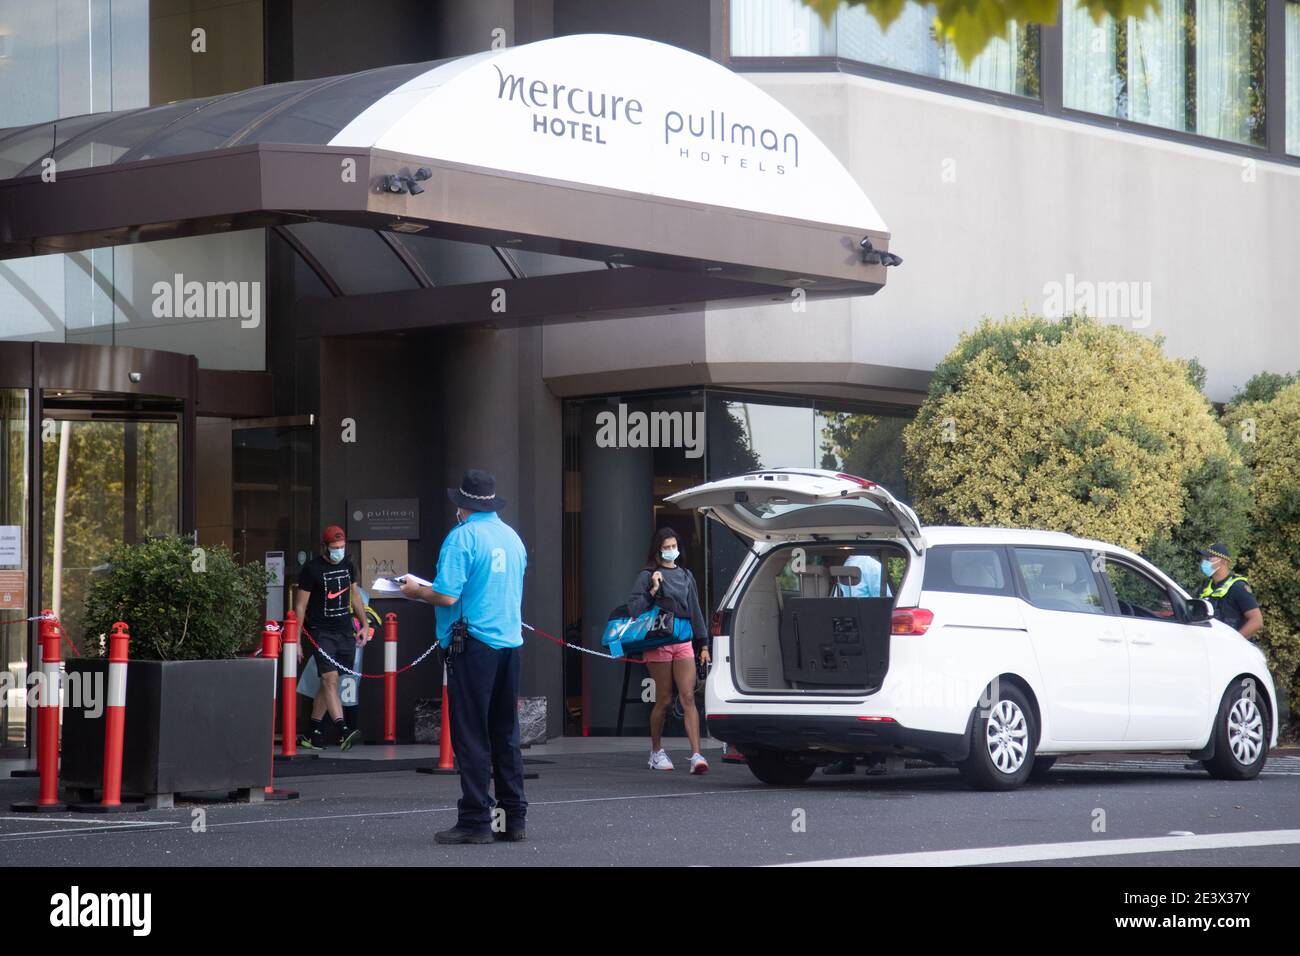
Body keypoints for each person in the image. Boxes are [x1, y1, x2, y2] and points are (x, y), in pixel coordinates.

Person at [401, 469, 528, 845]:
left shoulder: (462, 538)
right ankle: (512, 817)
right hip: (510, 642)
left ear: (462, 505)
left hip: (472, 644)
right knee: (505, 732)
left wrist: (414, 591)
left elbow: (446, 595)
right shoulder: (512, 537)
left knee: (471, 733)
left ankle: (475, 820)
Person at [626, 527, 710, 774]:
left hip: (683, 639)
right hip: (659, 640)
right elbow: (634, 610)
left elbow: (694, 608)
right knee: (663, 699)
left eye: (674, 546)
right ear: (658, 549)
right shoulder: (648, 575)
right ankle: (656, 751)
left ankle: (696, 755)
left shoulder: (686, 575)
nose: (671, 551)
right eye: (667, 547)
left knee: (688, 697)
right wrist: (653, 590)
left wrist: (703, 644)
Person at [295, 526, 371, 751]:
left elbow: (355, 596)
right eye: (334, 548)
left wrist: (364, 624)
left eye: (341, 547)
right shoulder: (311, 569)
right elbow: (300, 606)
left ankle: (312, 732)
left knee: (331, 681)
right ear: (324, 547)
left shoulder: (348, 565)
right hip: (322, 632)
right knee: (329, 681)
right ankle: (343, 730)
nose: (338, 551)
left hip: (345, 631)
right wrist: (296, 640)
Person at [1198, 542, 1263, 639]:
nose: (1204, 561)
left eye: (1209, 558)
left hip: (1230, 648)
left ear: (1223, 562)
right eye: (1204, 558)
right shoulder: (1205, 586)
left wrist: (1234, 641)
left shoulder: (1238, 587)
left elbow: (1257, 621)